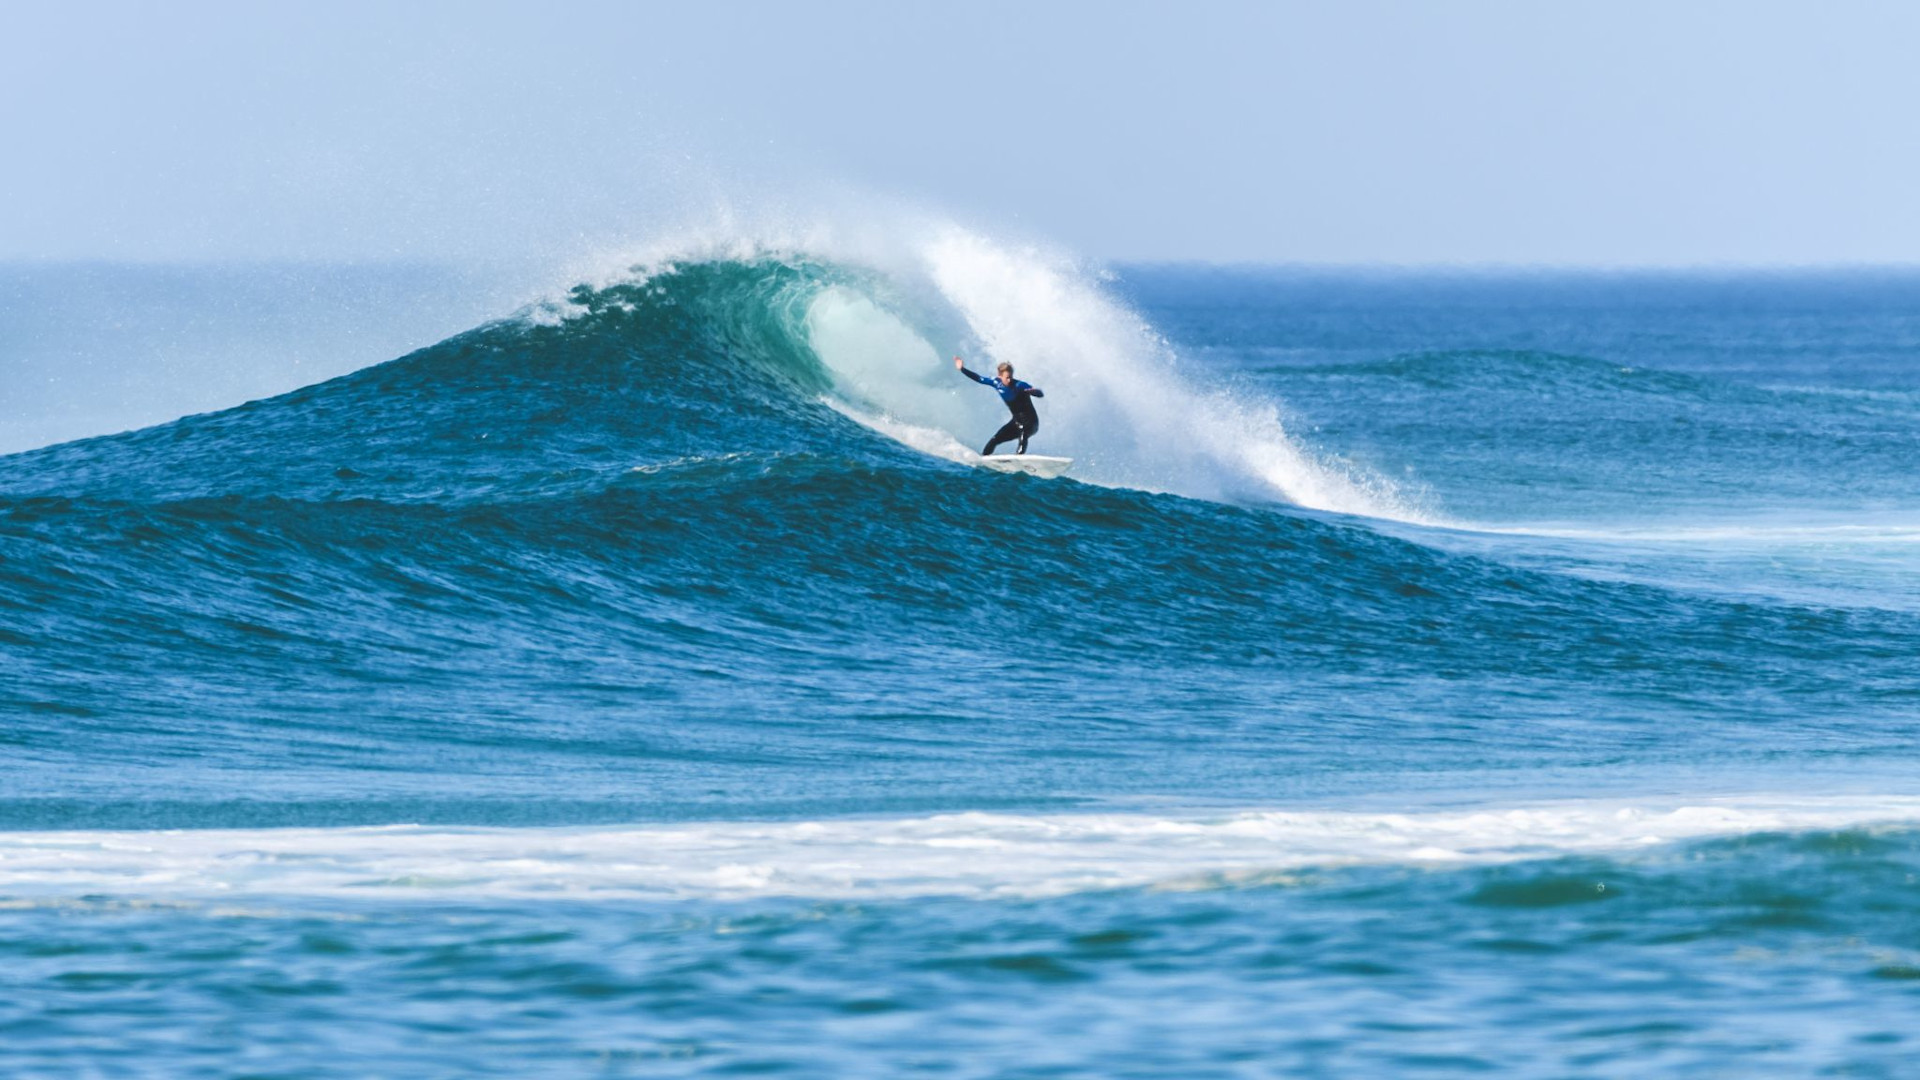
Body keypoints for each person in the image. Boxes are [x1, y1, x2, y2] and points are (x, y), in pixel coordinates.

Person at [953, 356, 1045, 455]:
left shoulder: (1020, 385)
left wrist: (1034, 392)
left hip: (1031, 423)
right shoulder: (995, 382)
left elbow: (1040, 394)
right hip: (1016, 423)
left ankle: (1019, 459)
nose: (1009, 380)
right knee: (994, 440)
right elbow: (979, 378)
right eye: (1007, 377)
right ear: (1000, 376)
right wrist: (962, 369)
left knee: (1023, 435)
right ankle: (983, 460)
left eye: (1011, 377)